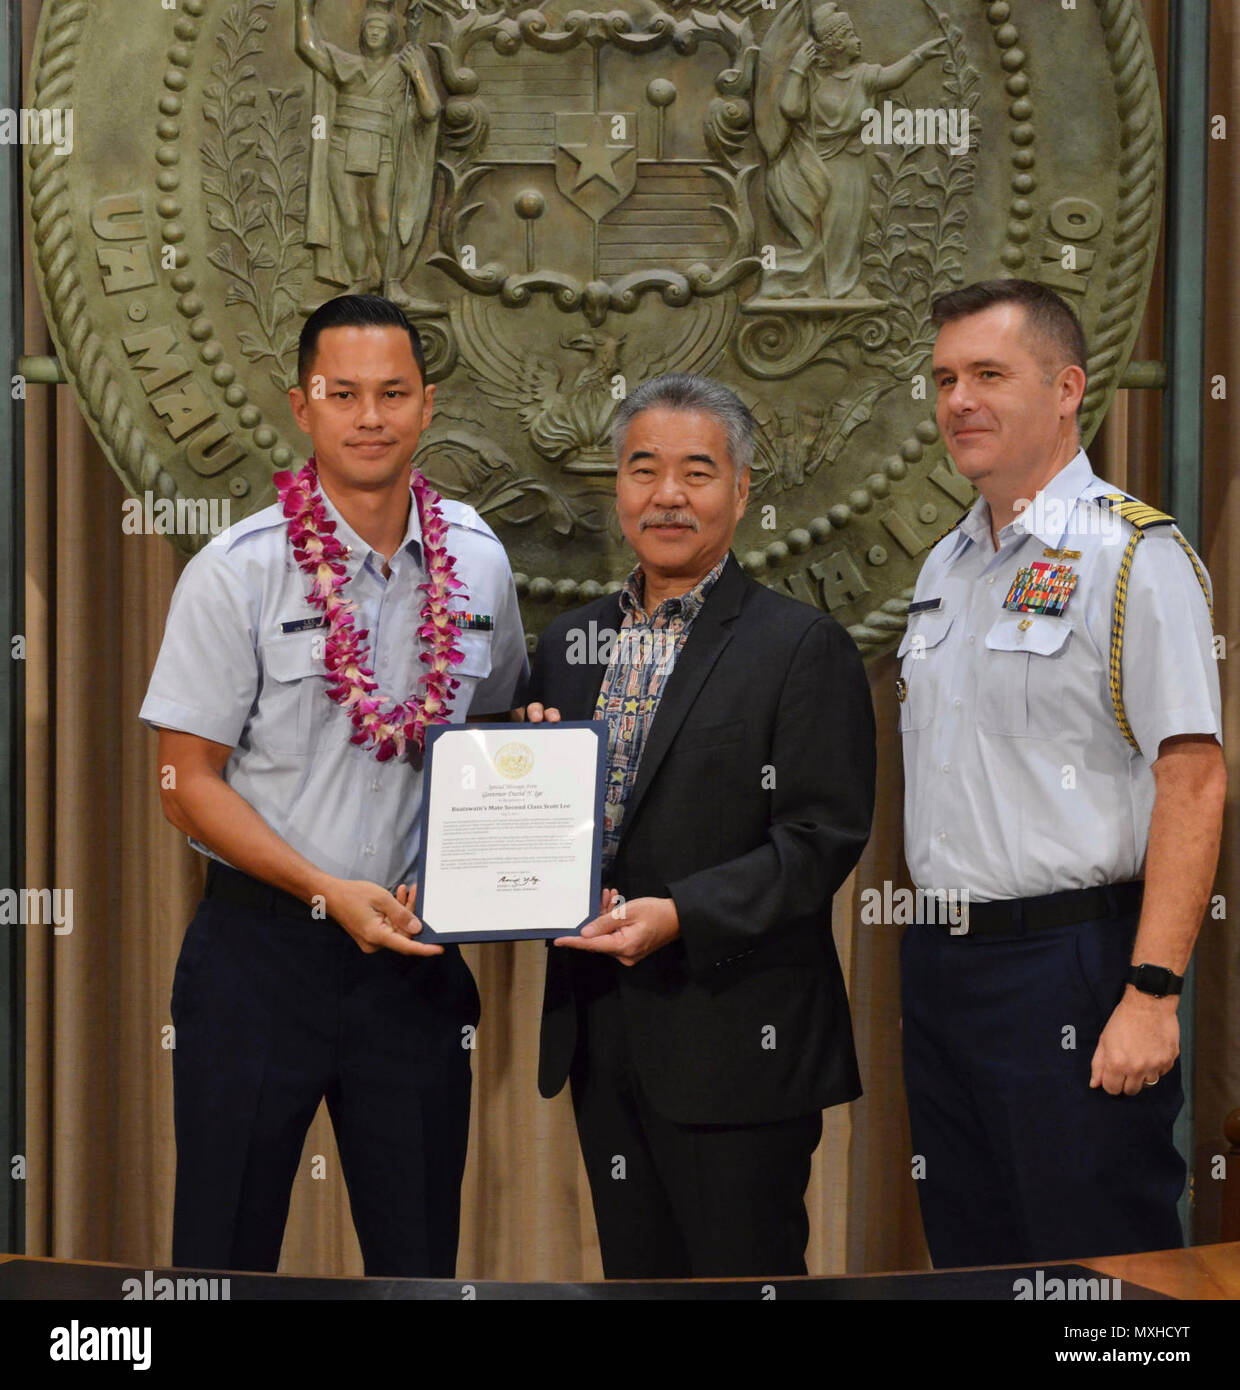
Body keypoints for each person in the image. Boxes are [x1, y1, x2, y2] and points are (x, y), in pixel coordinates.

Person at [140, 293, 527, 1276]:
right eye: (342, 393)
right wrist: (324, 890)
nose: (369, 416)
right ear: (300, 406)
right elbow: (185, 782)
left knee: (418, 1263)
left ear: (426, 404)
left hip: (410, 960)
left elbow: (492, 738)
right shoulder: (237, 572)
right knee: (223, 1258)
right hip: (258, 958)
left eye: (391, 392)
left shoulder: (480, 563)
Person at [898, 278, 1225, 1267]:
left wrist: (1153, 990)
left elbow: (1194, 779)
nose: (959, 400)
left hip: (1071, 970)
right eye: (946, 377)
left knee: (1092, 1274)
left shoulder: (1133, 556)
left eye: (989, 374)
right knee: (972, 1258)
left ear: (1066, 387)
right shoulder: (943, 567)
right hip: (942, 967)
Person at [523, 373, 876, 1277]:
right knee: (635, 1280)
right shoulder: (568, 649)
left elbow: (819, 840)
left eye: (696, 471)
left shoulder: (799, 646)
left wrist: (677, 912)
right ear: (618, 487)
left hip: (738, 1045)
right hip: (603, 1037)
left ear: (742, 488)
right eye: (643, 470)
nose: (667, 495)